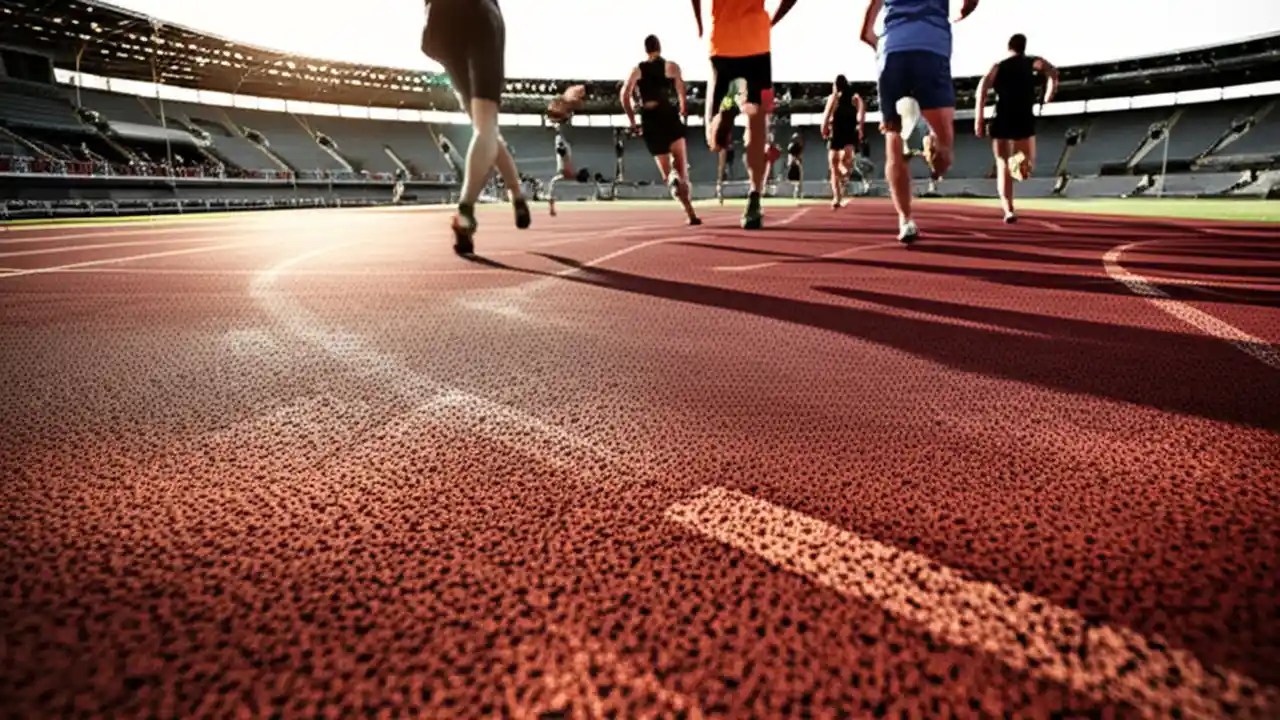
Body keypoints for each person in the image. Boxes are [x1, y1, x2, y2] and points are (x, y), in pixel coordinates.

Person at [860, 0, 979, 244]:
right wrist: (965, 11)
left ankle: (905, 220)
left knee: (894, 149)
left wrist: (882, 45)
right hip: (931, 47)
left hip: (892, 52)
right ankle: (927, 136)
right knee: (942, 158)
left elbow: (864, 33)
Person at [421, 0, 530, 255]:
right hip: (479, 16)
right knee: (485, 126)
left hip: (438, 22)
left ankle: (517, 195)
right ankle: (465, 209)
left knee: (486, 128)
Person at [692, 0, 799, 229]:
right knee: (758, 124)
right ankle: (754, 199)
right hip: (758, 45)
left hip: (721, 42)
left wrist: (699, 23)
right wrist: (771, 21)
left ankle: (727, 105)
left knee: (714, 140)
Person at [975, 33, 1059, 223]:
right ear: (1024, 47)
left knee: (1002, 164)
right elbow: (1052, 72)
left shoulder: (999, 66)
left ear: (1008, 47)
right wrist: (1049, 94)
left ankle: (1008, 209)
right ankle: (1013, 191)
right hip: (1022, 118)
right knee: (1025, 164)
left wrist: (979, 118)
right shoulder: (1032, 63)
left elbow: (982, 87)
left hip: (1003, 118)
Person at [621, 34, 702, 225]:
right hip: (669, 115)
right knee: (683, 169)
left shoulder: (637, 70)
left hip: (650, 120)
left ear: (645, 50)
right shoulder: (671, 67)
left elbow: (624, 95)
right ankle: (689, 209)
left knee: (668, 174)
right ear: (660, 48)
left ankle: (675, 183)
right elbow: (681, 90)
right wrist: (682, 108)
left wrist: (633, 120)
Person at [820, 74, 866, 209]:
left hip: (843, 131)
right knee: (839, 162)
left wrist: (823, 129)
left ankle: (840, 187)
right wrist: (861, 127)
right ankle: (838, 193)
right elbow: (827, 114)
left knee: (839, 162)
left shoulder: (844, 98)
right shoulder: (843, 98)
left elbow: (827, 114)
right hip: (843, 132)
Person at [546, 123, 575, 217]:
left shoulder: (563, 144)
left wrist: (556, 129)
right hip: (565, 169)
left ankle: (551, 207)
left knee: (553, 185)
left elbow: (561, 150)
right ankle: (551, 208)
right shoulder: (564, 143)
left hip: (565, 169)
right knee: (552, 185)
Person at [785, 132, 804, 199]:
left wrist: (799, 161)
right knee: (794, 179)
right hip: (794, 163)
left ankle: (799, 193)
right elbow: (791, 155)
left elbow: (800, 155)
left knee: (799, 179)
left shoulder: (799, 146)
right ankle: (796, 193)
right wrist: (792, 161)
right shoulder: (791, 146)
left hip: (797, 163)